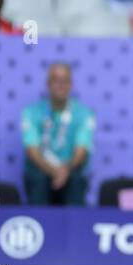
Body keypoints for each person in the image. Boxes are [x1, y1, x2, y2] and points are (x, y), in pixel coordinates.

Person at [22, 62, 95, 206]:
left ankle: (76, 225)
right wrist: (54, 171)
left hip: (70, 171)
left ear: (71, 85)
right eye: (55, 80)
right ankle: (38, 223)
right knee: (39, 178)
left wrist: (65, 170)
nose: (60, 85)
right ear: (48, 84)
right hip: (41, 172)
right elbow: (32, 151)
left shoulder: (84, 113)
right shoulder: (31, 112)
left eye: (65, 80)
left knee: (75, 178)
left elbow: (81, 151)